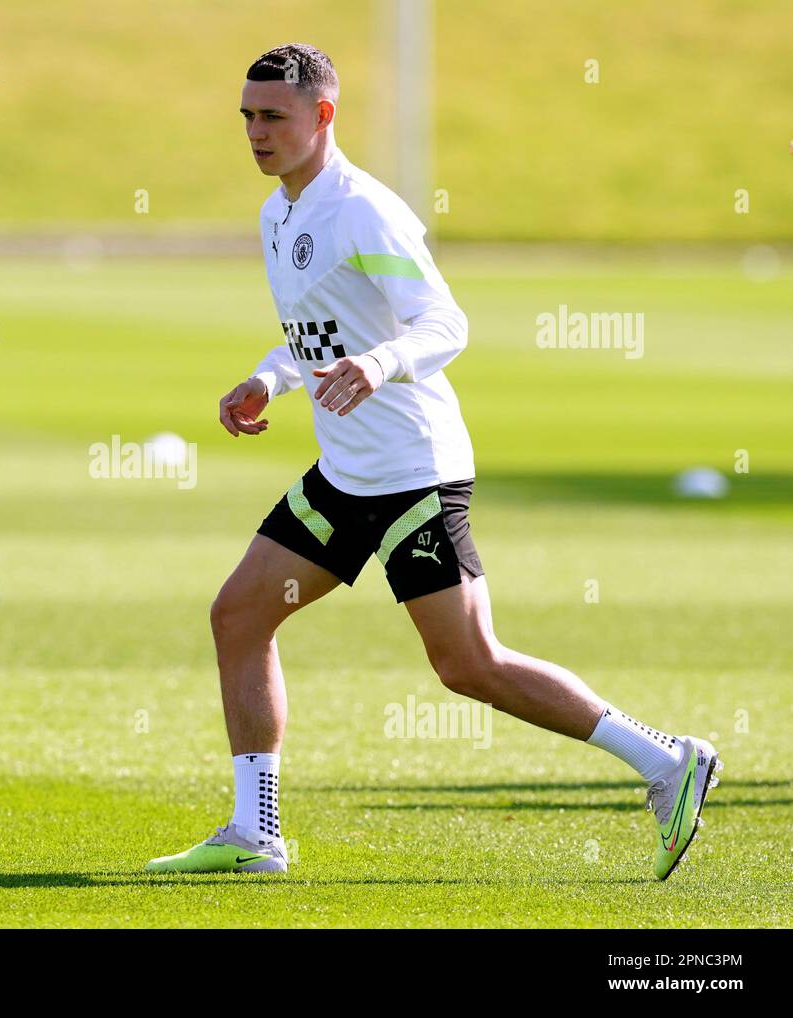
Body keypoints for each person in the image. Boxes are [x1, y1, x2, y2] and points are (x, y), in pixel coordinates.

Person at [145, 43, 720, 880]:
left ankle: (669, 760)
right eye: (247, 116)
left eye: (272, 116)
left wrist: (379, 366)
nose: (256, 133)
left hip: (415, 471)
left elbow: (444, 323)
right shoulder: (280, 213)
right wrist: (270, 379)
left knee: (468, 665)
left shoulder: (362, 211)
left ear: (323, 116)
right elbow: (319, 334)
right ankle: (255, 830)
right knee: (238, 615)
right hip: (344, 477)